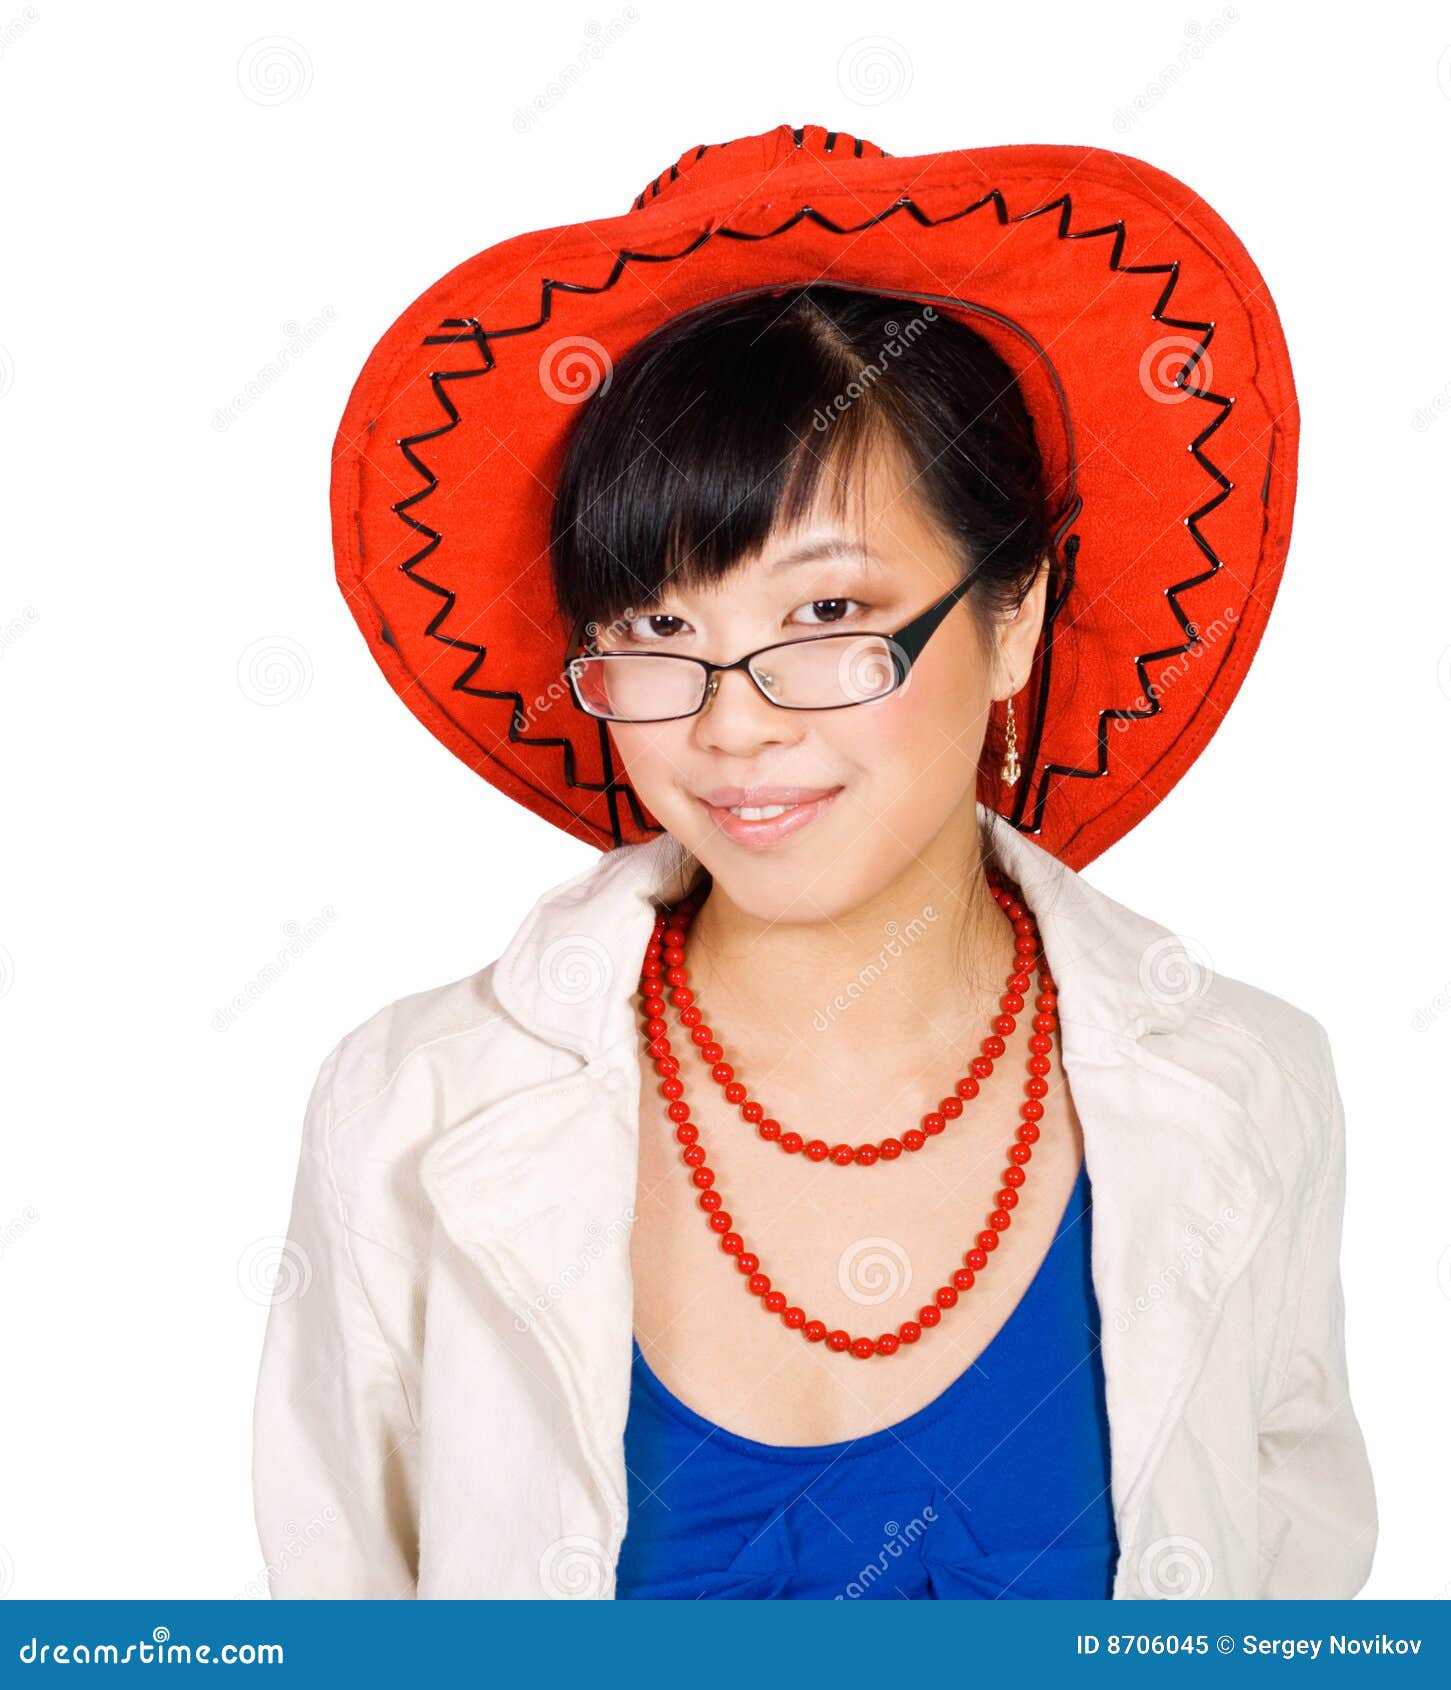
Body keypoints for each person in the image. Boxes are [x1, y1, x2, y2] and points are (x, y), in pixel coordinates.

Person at [251, 124, 1377, 1600]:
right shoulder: (410, 1108)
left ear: (1017, 615)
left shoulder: (1248, 1085)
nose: (730, 724)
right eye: (658, 634)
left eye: (829, 611)